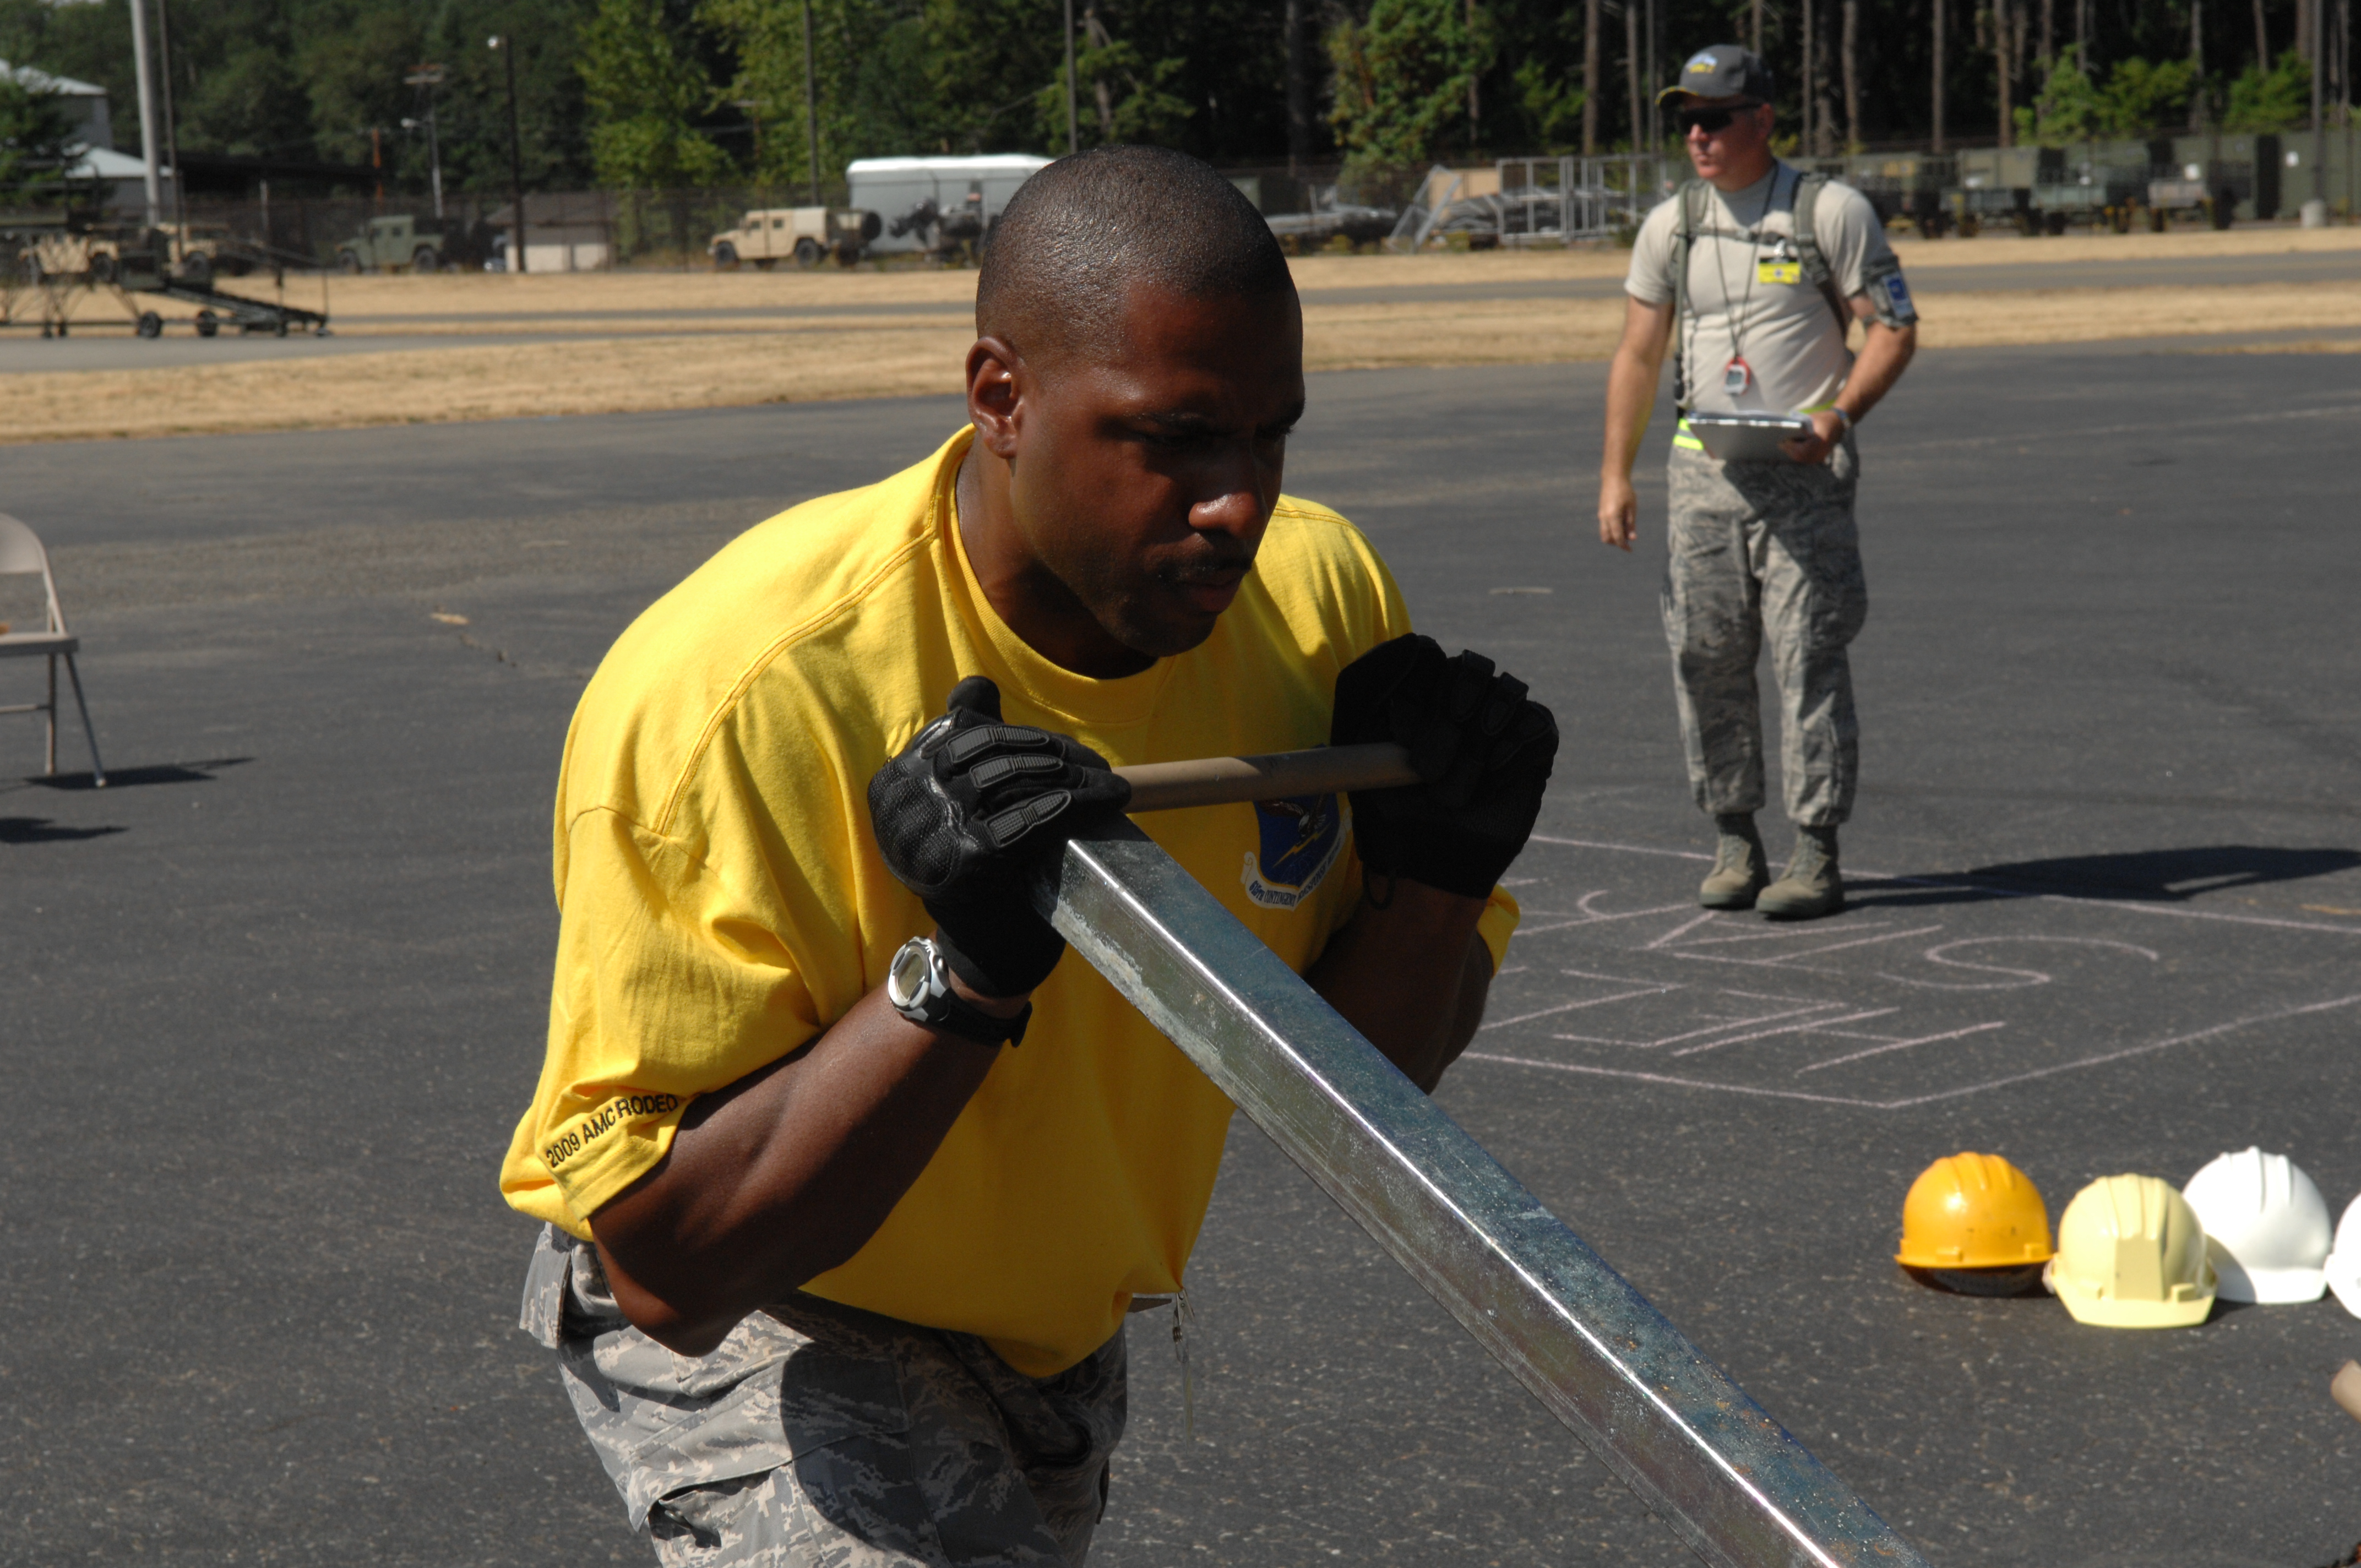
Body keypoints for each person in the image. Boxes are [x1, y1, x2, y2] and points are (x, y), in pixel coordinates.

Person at [499, 144, 1557, 1567]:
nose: (1236, 500)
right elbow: (664, 1266)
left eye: (1270, 437)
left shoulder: (1316, 604)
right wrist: (964, 978)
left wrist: (1436, 883)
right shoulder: (746, 693)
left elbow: (1361, 1091)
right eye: (1175, 438)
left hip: (1050, 1336)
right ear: (1002, 397)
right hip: (780, 1321)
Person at [1596, 45, 1918, 919]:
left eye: (1715, 116)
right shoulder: (1674, 224)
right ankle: (1735, 836)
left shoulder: (1831, 212)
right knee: (1704, 656)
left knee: (1807, 658)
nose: (1697, 134)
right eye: (1686, 119)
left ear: (1763, 119)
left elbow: (1893, 328)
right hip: (1703, 473)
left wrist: (1838, 416)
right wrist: (1615, 476)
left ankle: (1816, 849)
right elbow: (1637, 350)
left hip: (1802, 474)